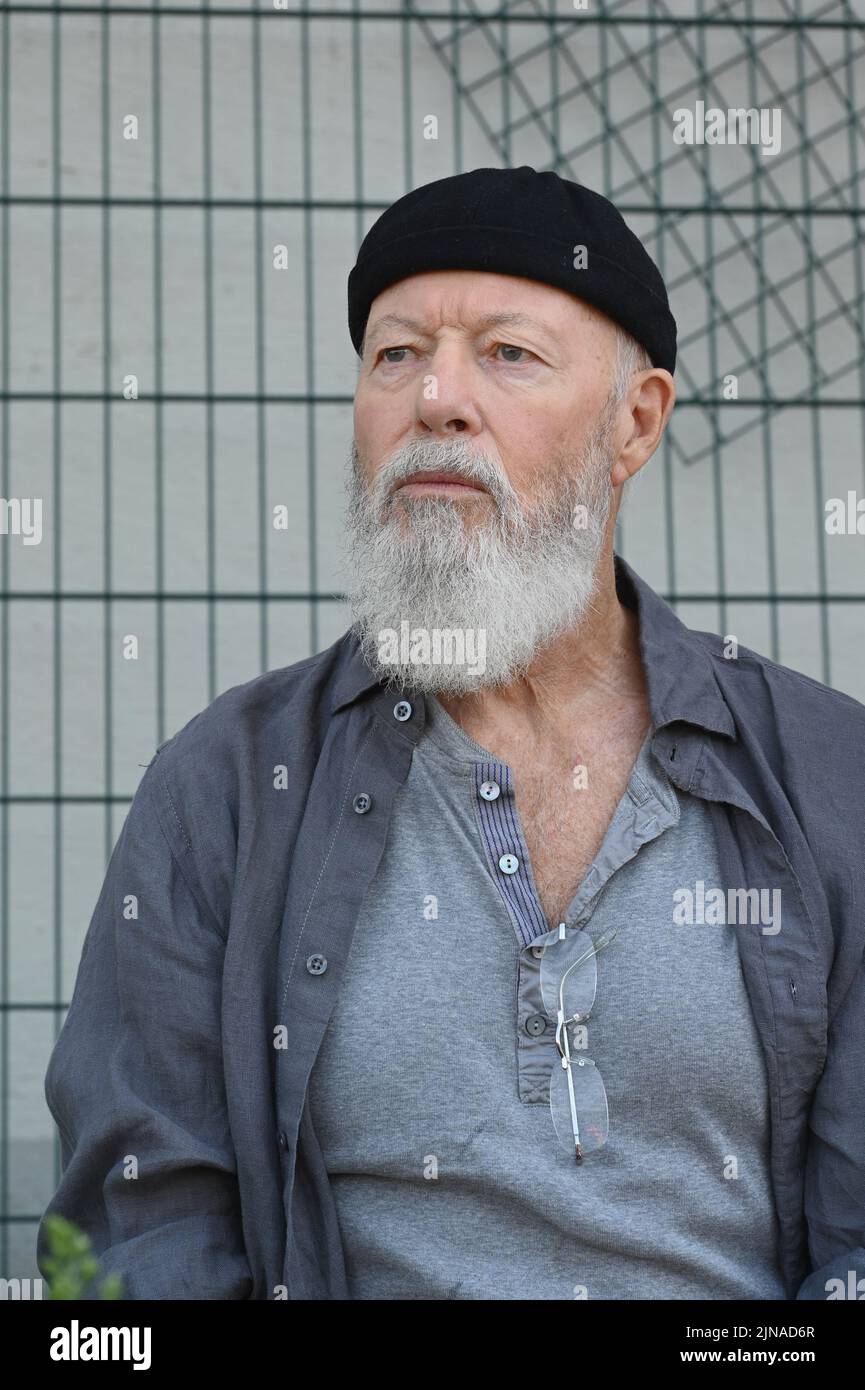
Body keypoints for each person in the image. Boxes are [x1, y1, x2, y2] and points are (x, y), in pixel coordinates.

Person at [37, 166, 865, 1301]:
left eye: (507, 353)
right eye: (395, 354)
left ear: (636, 420)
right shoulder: (226, 787)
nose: (436, 398)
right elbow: (143, 1229)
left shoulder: (828, 777)